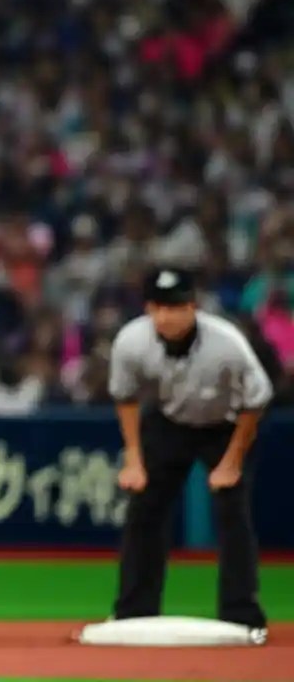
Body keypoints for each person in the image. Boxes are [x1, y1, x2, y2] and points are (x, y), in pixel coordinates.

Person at [108, 267, 272, 641]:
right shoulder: (132, 342)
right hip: (170, 421)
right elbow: (126, 398)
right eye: (159, 307)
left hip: (227, 423)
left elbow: (256, 401)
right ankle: (134, 612)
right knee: (144, 510)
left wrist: (231, 462)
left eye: (177, 307)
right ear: (148, 308)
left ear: (193, 306)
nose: (167, 316)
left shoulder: (226, 343)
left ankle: (242, 615)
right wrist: (134, 458)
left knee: (232, 514)